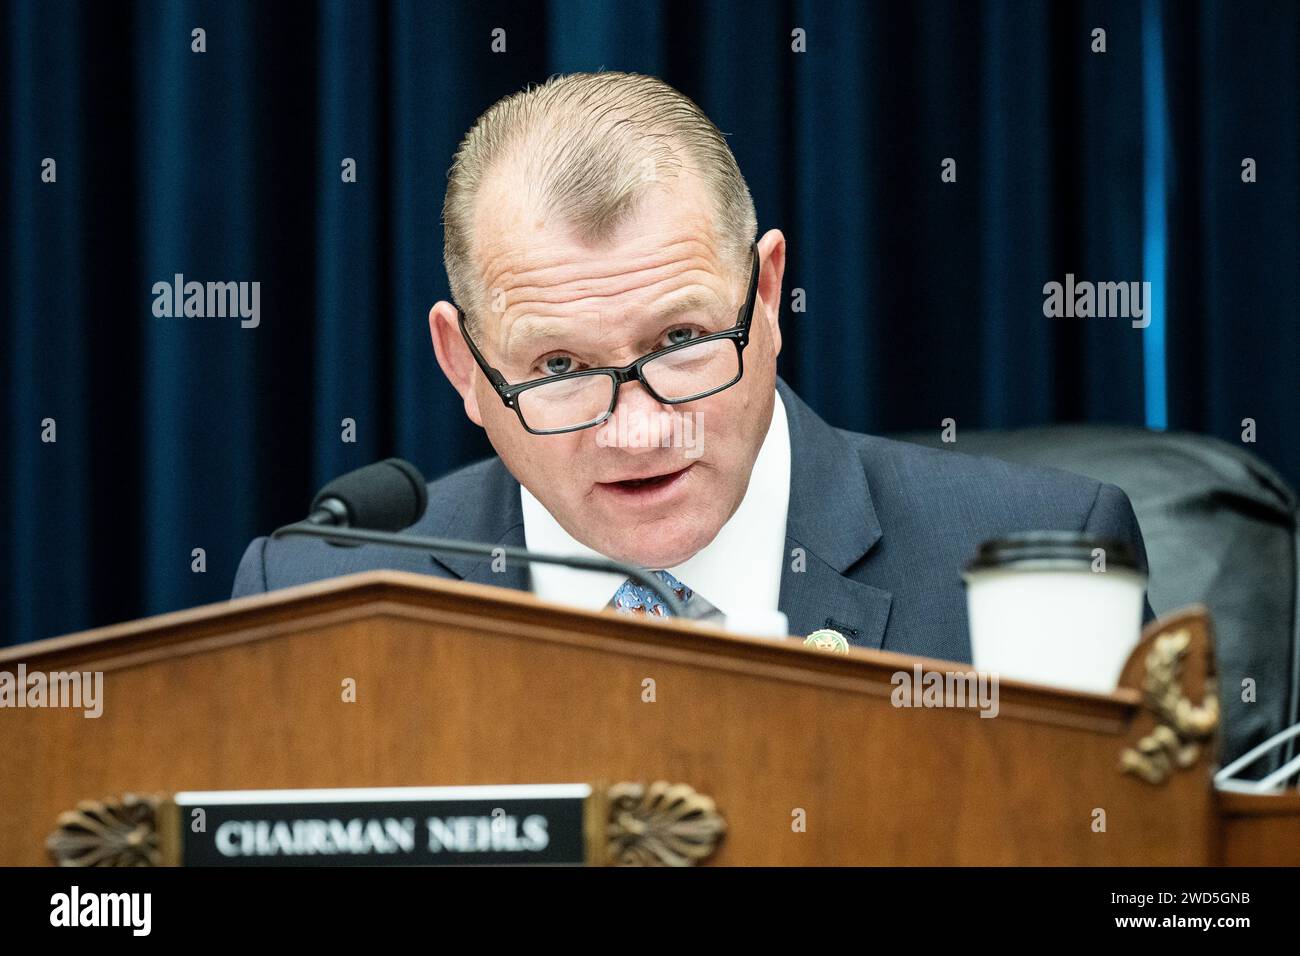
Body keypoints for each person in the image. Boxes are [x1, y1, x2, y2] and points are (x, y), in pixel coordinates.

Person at [233, 71, 1150, 661]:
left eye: (678, 344)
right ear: (463, 366)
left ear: (766, 294)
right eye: (558, 366)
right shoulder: (328, 602)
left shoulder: (1041, 562)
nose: (639, 431)